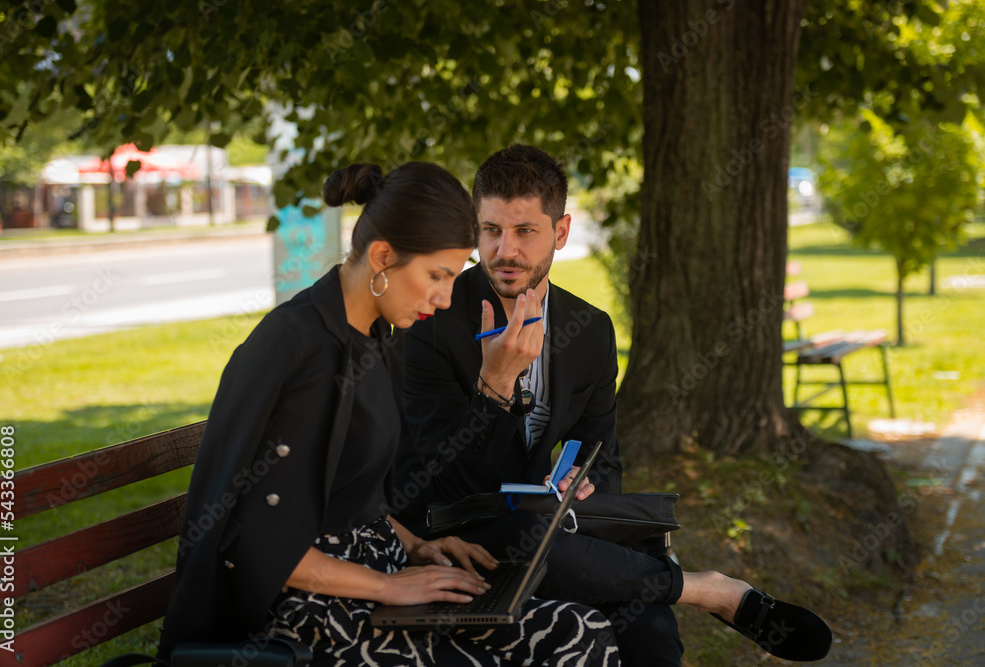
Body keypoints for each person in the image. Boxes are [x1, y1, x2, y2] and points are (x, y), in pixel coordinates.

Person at [158, 161, 620, 666]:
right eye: (437, 275)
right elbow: (259, 546)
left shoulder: (371, 339)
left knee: (582, 629)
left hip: (383, 576)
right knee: (568, 648)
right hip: (309, 617)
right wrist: (386, 585)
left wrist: (420, 547)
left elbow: (352, 503)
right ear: (382, 257)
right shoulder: (299, 347)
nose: (446, 296)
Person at [393, 145, 833, 665]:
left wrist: (583, 475)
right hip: (449, 527)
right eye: (490, 230)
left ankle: (682, 590)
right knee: (526, 533)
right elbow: (447, 480)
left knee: (648, 631)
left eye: (525, 231)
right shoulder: (429, 321)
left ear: (560, 232)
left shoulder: (589, 330)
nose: (504, 251)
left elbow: (604, 454)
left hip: (554, 530)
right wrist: (497, 381)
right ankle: (711, 591)